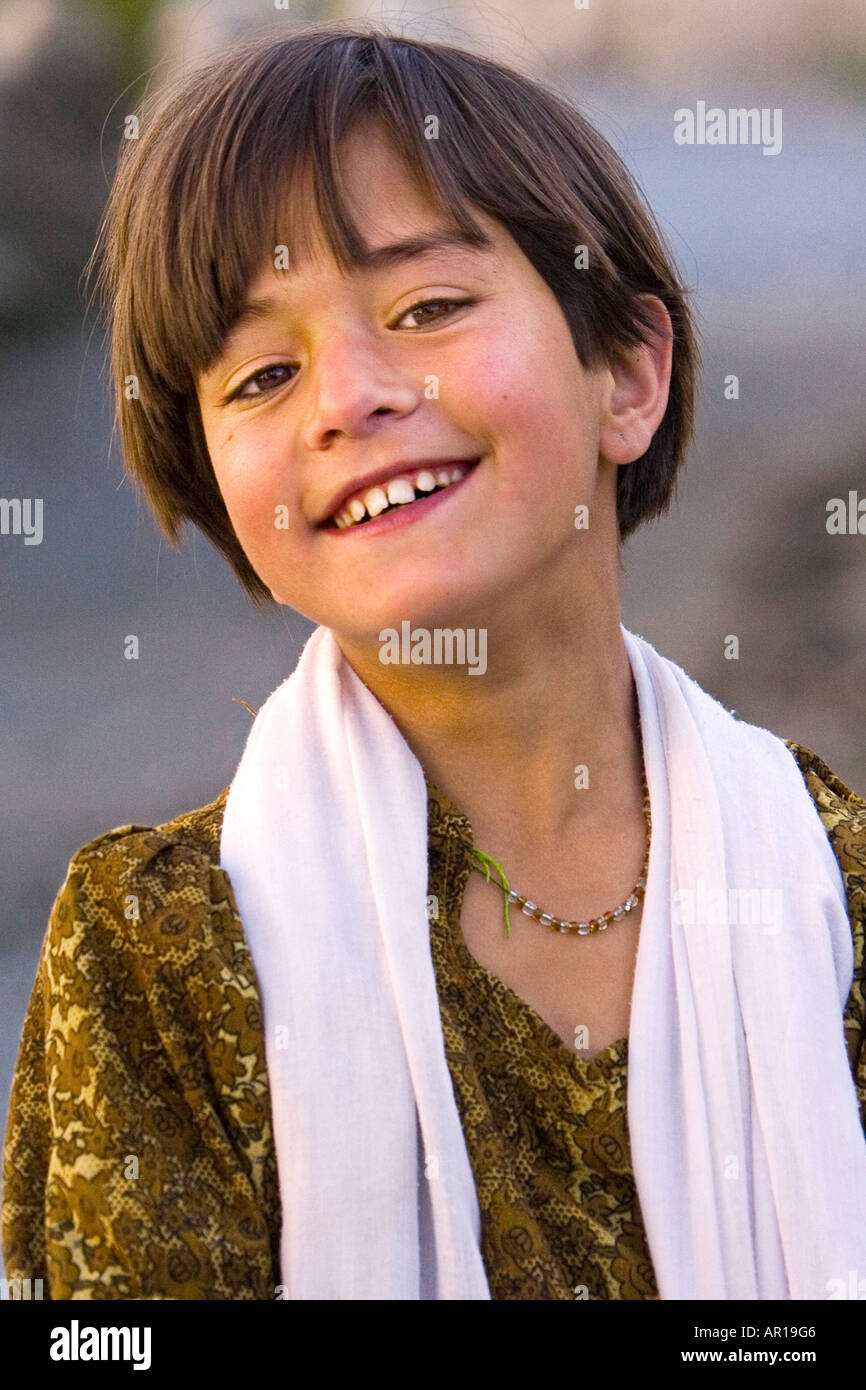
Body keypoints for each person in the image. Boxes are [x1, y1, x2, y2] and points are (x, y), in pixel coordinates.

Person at [3, 23, 865, 1301]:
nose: (344, 396)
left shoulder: (823, 880)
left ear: (626, 370)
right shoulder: (161, 953)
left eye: (427, 306)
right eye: (262, 375)